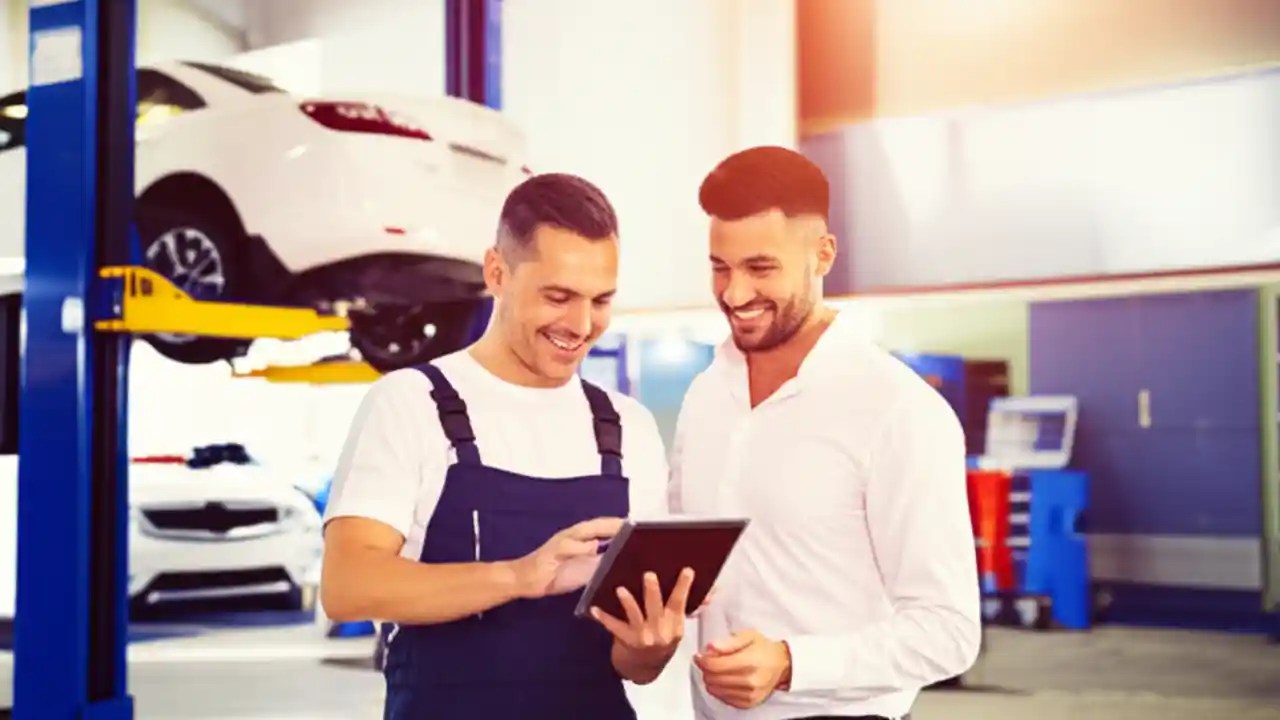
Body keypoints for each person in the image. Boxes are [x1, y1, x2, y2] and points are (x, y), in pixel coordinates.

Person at [320, 173, 698, 719]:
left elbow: (633, 668)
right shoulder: (412, 404)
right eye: (558, 297)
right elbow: (348, 585)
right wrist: (522, 576)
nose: (582, 324)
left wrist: (652, 644)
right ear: (497, 272)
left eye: (601, 300)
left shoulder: (627, 427)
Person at [670, 146, 982, 720]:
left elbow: (949, 631)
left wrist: (792, 662)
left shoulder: (899, 409)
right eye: (720, 266)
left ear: (823, 255)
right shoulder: (706, 396)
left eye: (761, 268)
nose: (734, 294)